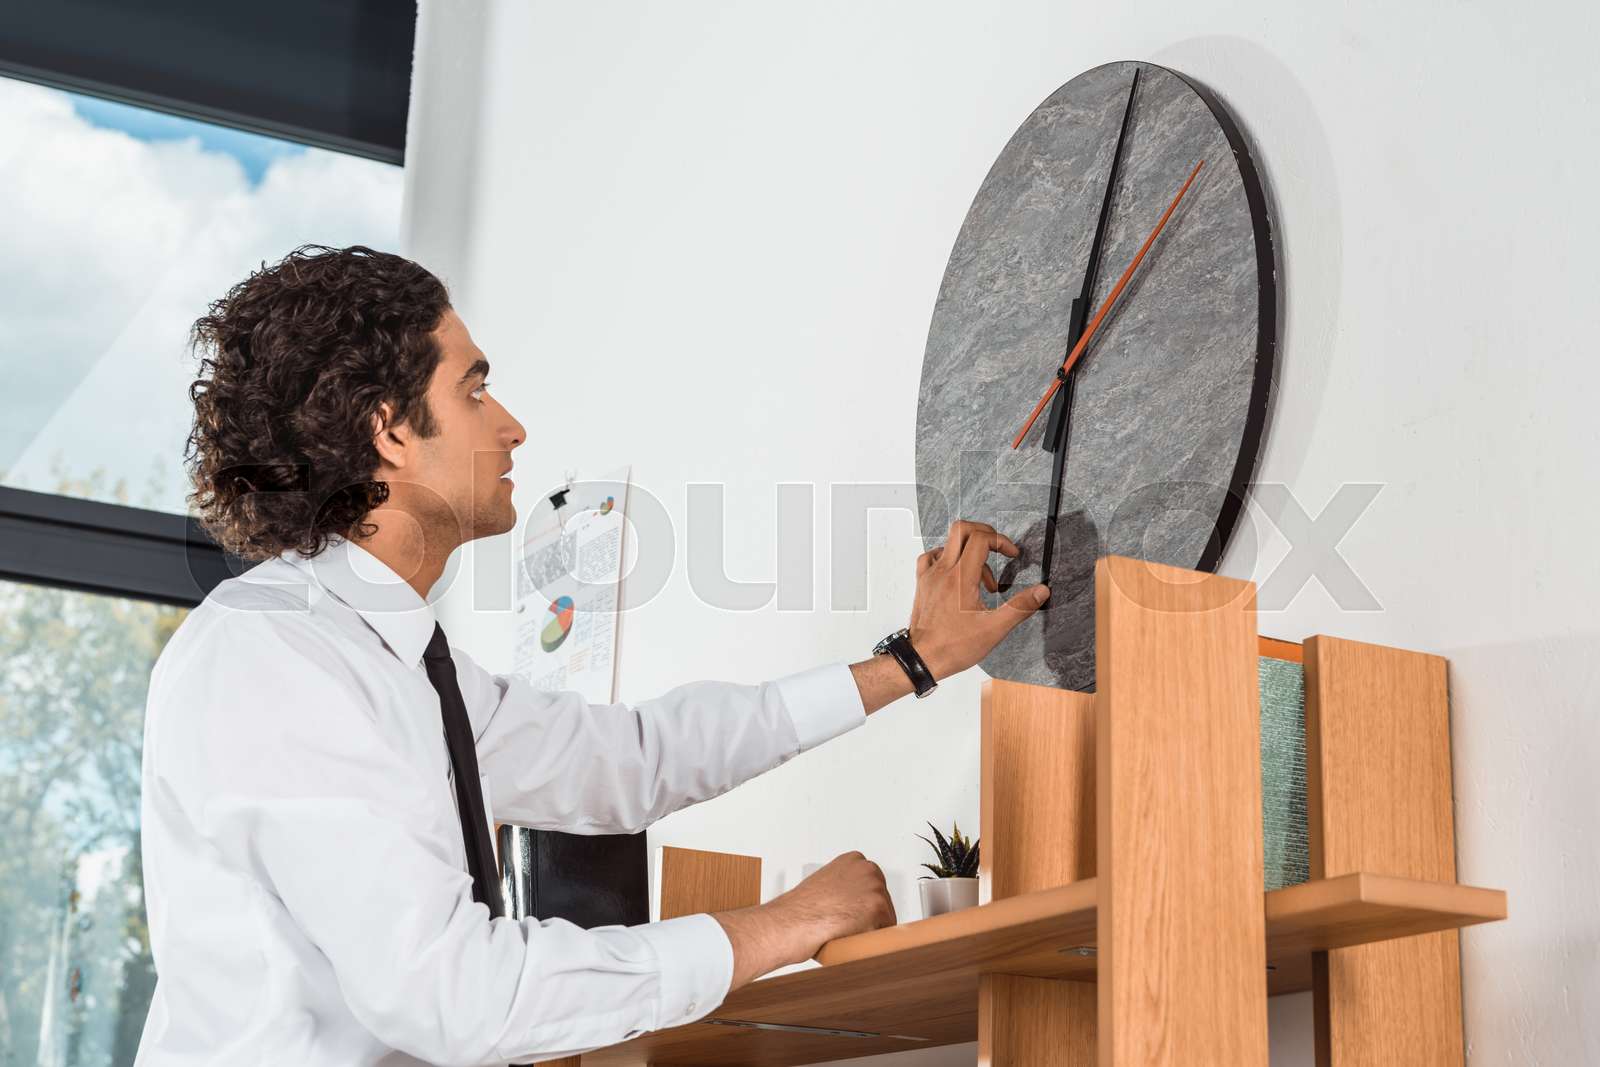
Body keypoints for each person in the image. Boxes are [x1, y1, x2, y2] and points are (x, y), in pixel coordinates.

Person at [134, 245, 1050, 1066]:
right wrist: (781, 926)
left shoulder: (403, 666)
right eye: (475, 388)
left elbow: (634, 759)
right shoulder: (274, 657)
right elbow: (454, 996)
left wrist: (912, 661)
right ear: (391, 430)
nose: (512, 425)